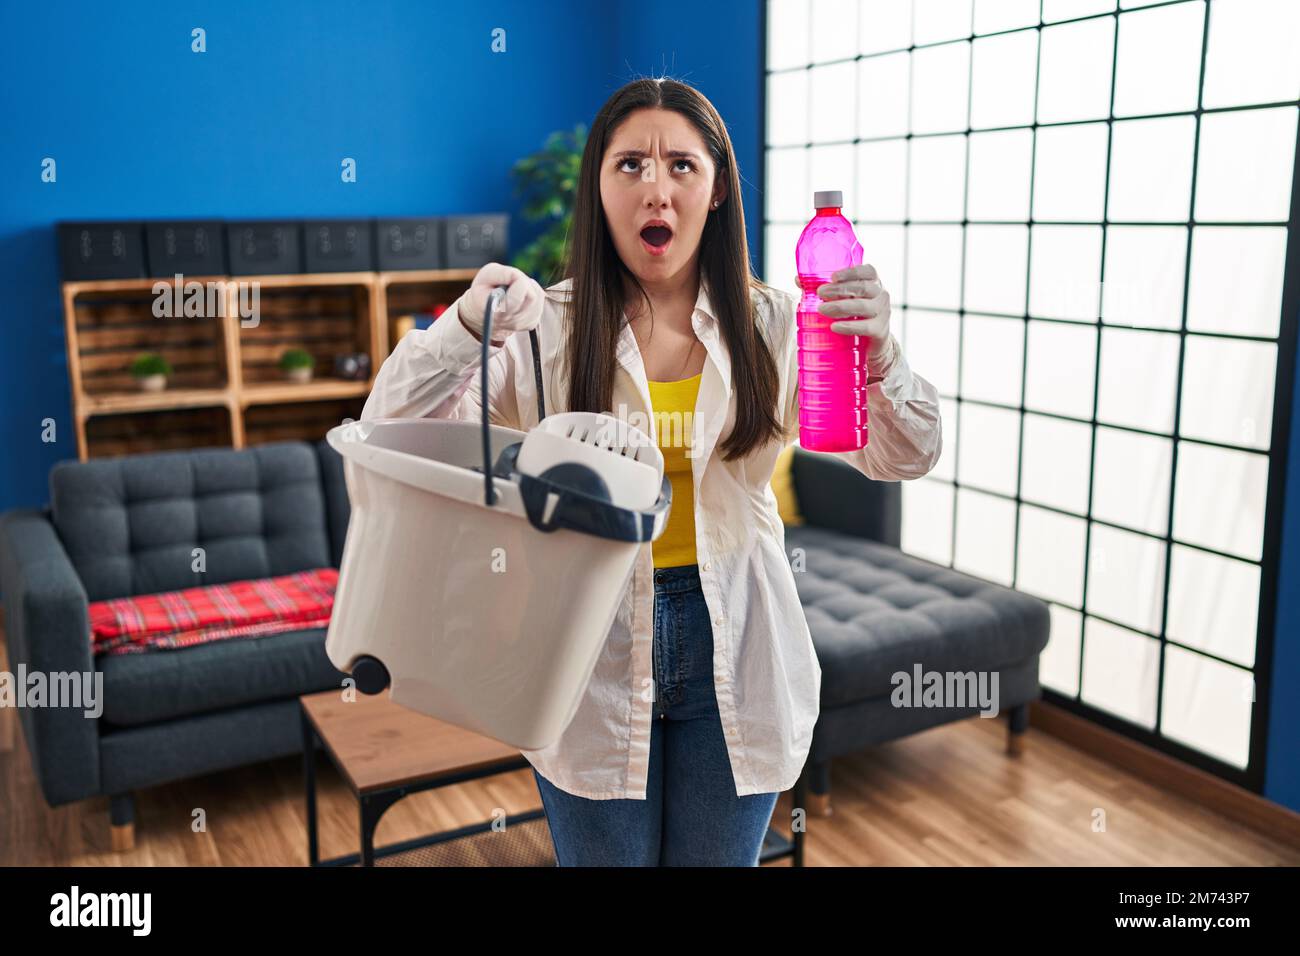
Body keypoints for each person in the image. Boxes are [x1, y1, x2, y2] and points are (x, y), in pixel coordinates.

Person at [360, 77, 942, 866]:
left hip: (738, 639)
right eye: (630, 164)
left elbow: (908, 453)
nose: (655, 188)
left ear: (718, 187)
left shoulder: (778, 324)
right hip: (584, 643)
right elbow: (392, 432)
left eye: (682, 165)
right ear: (598, 187)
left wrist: (879, 354)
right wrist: (464, 325)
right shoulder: (543, 326)